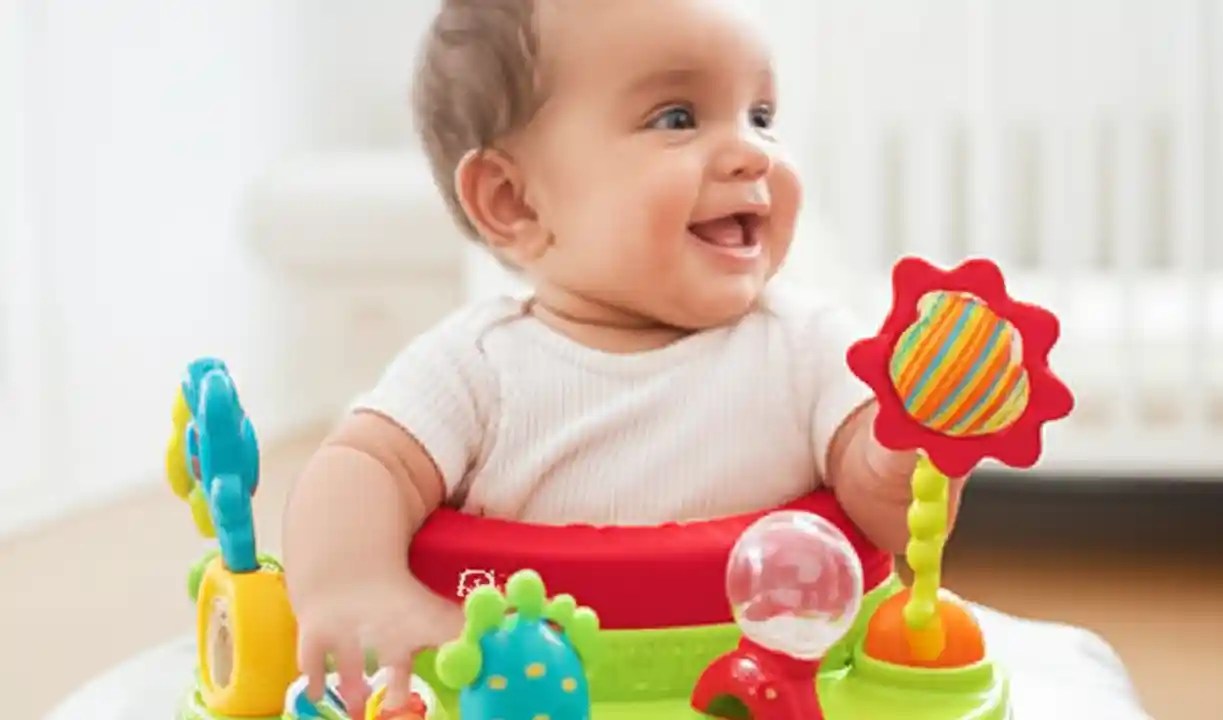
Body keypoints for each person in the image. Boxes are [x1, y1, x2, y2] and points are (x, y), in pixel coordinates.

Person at [282, 1, 964, 717]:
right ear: (515, 202)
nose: (752, 152)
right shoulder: (478, 370)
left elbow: (895, 521)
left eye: (760, 116)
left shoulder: (808, 345)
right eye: (677, 118)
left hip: (777, 684)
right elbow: (360, 466)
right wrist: (355, 586)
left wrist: (908, 446)